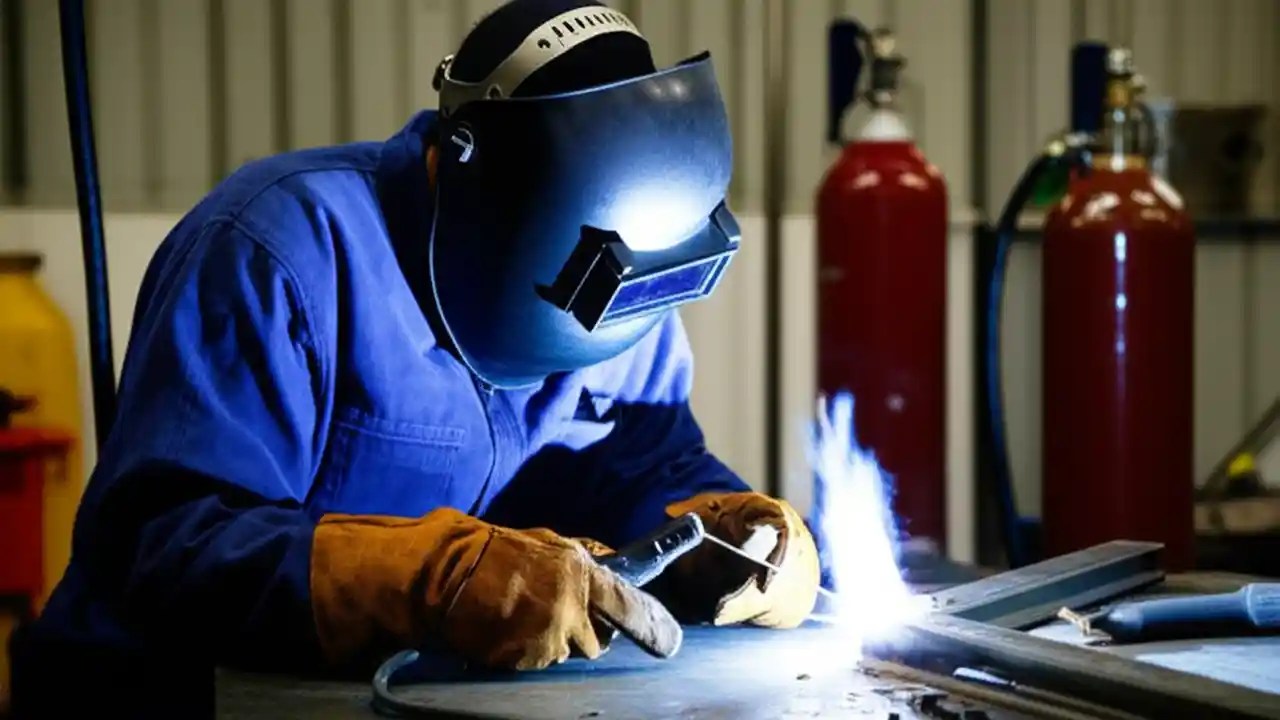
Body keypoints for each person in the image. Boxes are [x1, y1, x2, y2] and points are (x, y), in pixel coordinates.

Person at [11, 0, 819, 715]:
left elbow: (644, 463)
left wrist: (726, 531)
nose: (617, 323)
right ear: (482, 187)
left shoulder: (631, 283)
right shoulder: (284, 252)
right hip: (163, 697)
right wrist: (431, 579)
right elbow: (168, 545)